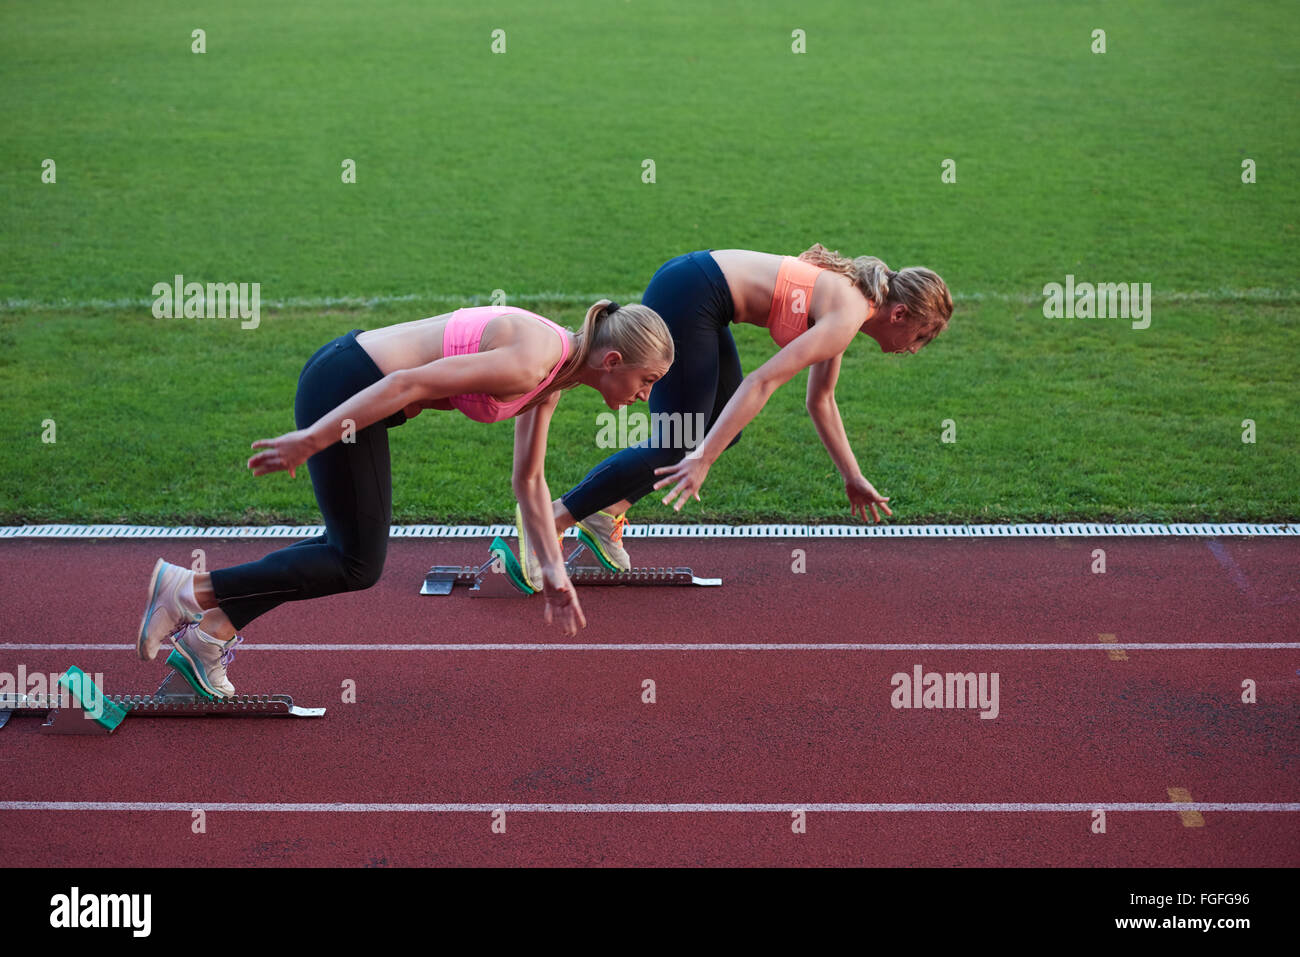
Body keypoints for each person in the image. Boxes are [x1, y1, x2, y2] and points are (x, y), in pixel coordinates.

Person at [135, 300, 673, 696]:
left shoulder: (554, 375)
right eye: (647, 380)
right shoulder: (532, 362)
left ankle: (208, 637)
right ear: (613, 360)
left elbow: (529, 482)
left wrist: (554, 573)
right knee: (354, 562)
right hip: (349, 387)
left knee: (345, 555)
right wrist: (313, 438)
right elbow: (408, 384)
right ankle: (190, 589)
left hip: (356, 387)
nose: (646, 395)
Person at [518, 246, 952, 577]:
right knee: (683, 442)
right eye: (921, 338)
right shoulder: (846, 314)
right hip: (691, 294)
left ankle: (605, 509)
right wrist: (702, 459)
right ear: (899, 314)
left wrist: (852, 476)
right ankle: (551, 521)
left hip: (697, 290)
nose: (913, 349)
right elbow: (761, 381)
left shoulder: (849, 307)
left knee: (721, 430)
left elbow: (820, 400)